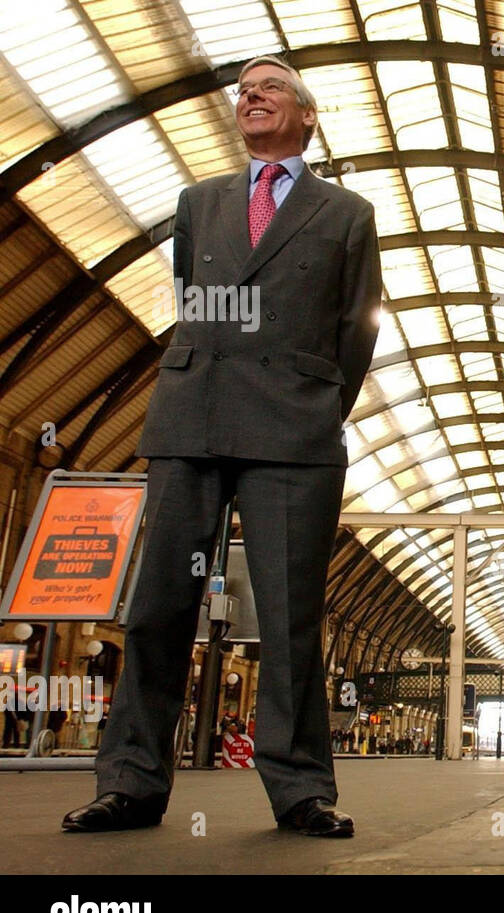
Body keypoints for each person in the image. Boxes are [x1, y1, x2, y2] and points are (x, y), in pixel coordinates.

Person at [62, 54, 381, 838]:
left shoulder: (347, 211)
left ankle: (301, 788)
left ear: (307, 116)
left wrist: (317, 399)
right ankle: (130, 782)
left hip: (295, 426)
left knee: (288, 615)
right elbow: (191, 297)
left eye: (269, 89)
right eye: (244, 92)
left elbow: (357, 325)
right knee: (159, 605)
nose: (251, 97)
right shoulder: (197, 202)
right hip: (193, 413)